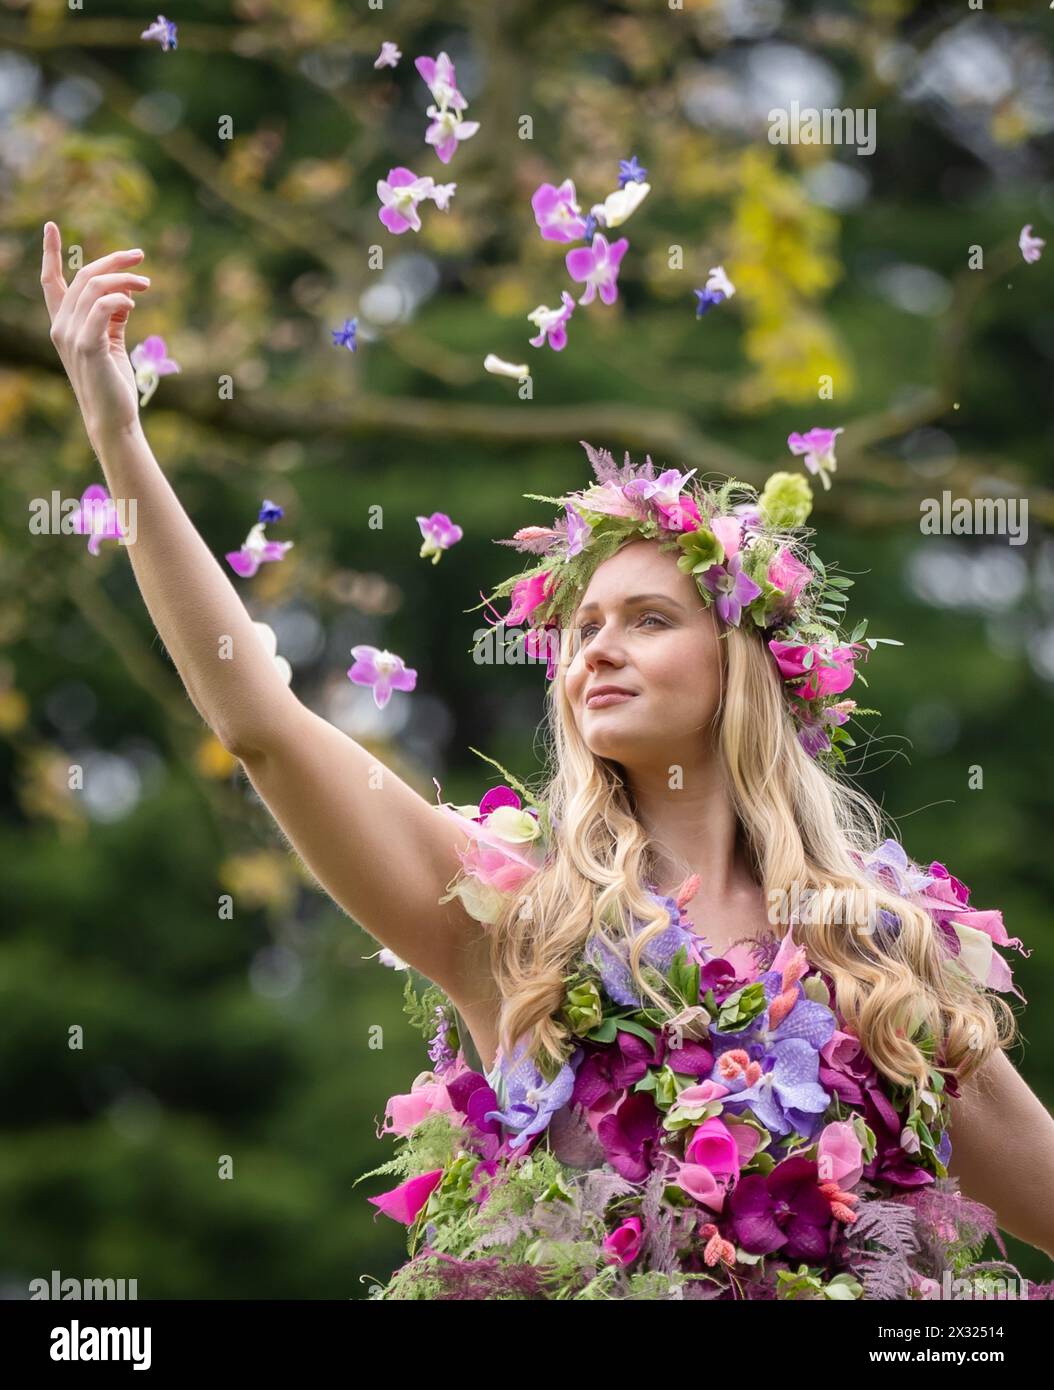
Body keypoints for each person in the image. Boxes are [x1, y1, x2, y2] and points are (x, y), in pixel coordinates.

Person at [41, 225, 1054, 1300]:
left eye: (648, 618)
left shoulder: (882, 954)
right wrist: (117, 430)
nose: (597, 647)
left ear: (744, 667)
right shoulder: (520, 920)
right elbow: (260, 720)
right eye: (580, 627)